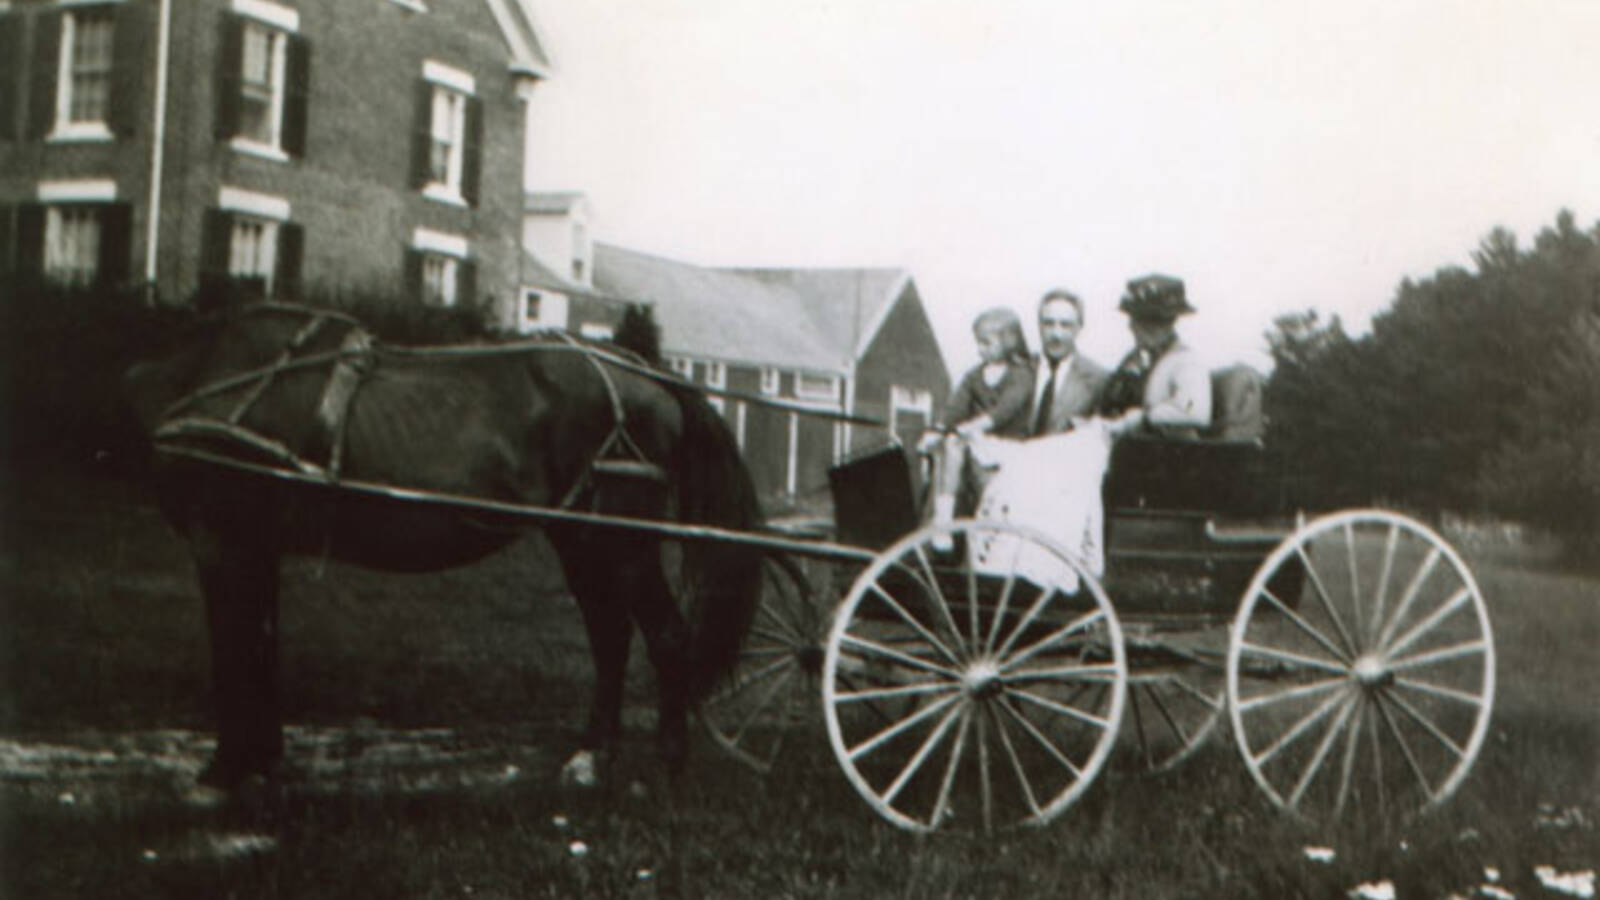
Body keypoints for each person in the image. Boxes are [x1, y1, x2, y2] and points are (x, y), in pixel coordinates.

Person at [965, 289, 1112, 587]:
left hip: (1058, 488)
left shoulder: (1098, 379)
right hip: (1004, 471)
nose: (1056, 334)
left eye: (1065, 325)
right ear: (1038, 326)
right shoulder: (1016, 371)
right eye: (1048, 323)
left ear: (1079, 328)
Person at [925, 307, 1035, 542]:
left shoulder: (1021, 374)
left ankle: (987, 529)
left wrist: (973, 427)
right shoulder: (975, 375)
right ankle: (943, 518)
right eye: (978, 343)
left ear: (1008, 341)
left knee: (961, 446)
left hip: (1008, 445)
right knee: (950, 445)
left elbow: (1005, 409)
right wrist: (939, 429)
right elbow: (956, 406)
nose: (980, 349)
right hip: (980, 441)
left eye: (986, 343)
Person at [1100, 274, 1212, 438]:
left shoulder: (1186, 361)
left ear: (1170, 322)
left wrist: (1143, 418)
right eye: (1135, 319)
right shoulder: (1136, 359)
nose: (1132, 327)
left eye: (1149, 321)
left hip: (1165, 448)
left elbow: (1194, 412)